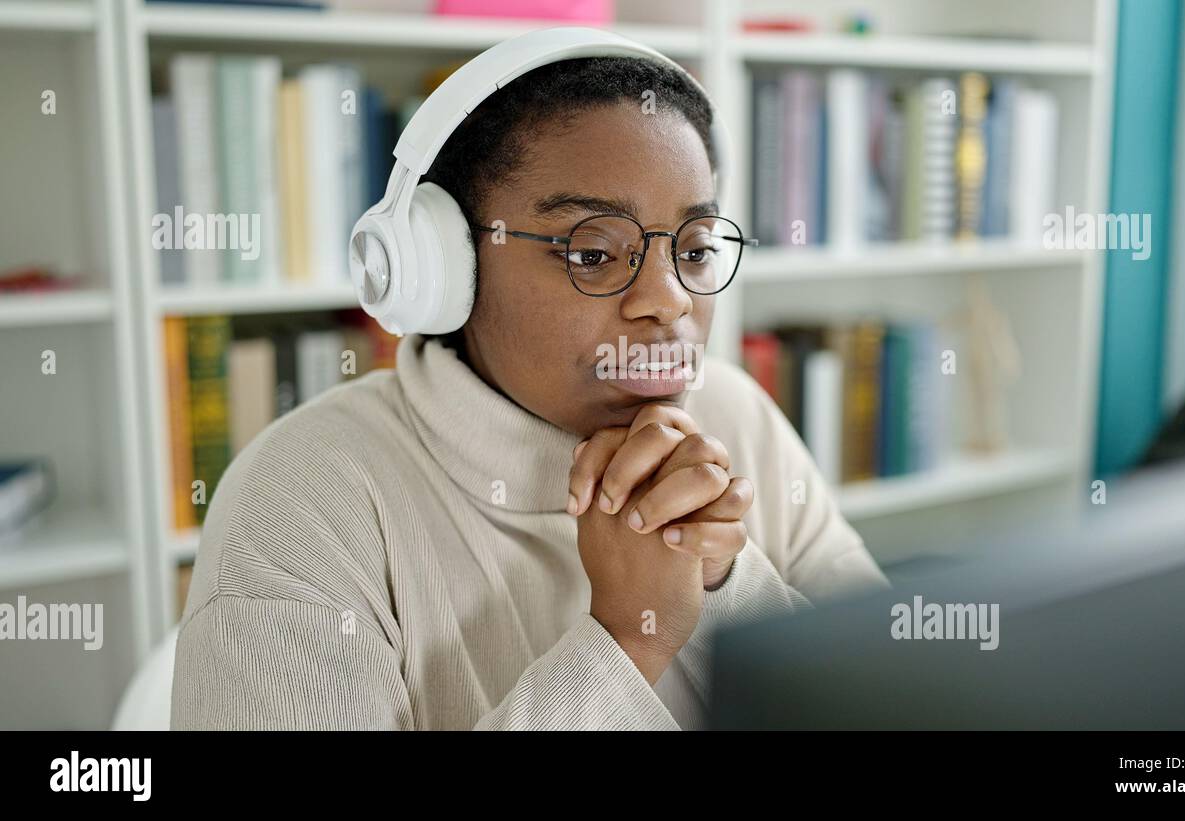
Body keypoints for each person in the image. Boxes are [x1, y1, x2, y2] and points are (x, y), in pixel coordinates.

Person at [171, 51, 887, 730]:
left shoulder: (735, 412)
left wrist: (726, 581)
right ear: (446, 268)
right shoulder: (304, 497)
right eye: (593, 252)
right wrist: (623, 644)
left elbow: (906, 701)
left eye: (695, 250)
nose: (669, 300)